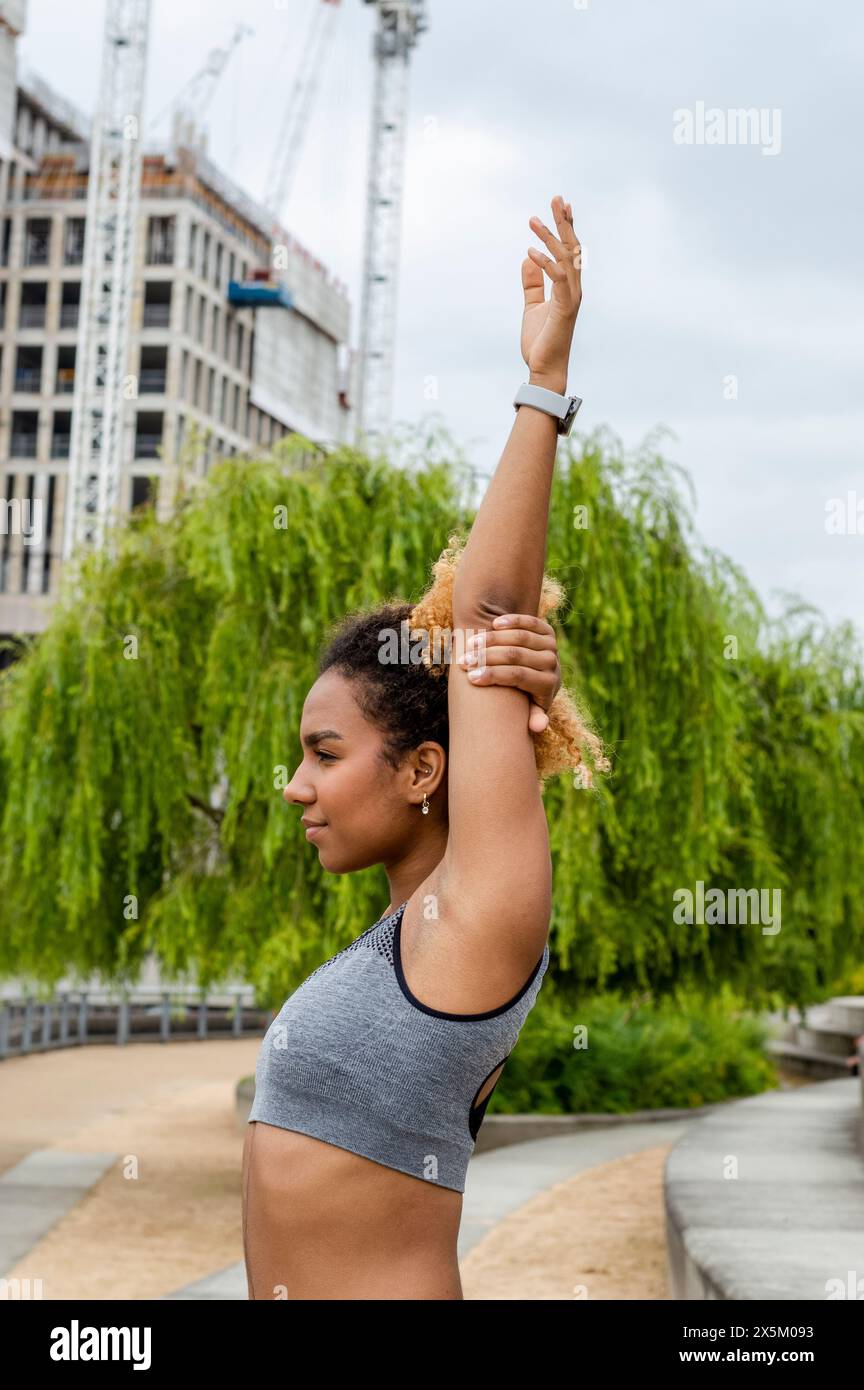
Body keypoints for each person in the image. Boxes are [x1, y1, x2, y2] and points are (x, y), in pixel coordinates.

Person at [243, 195, 601, 1300]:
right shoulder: (412, 928)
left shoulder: (476, 918)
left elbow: (489, 614)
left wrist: (542, 385)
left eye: (324, 751)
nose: (296, 786)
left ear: (423, 768)